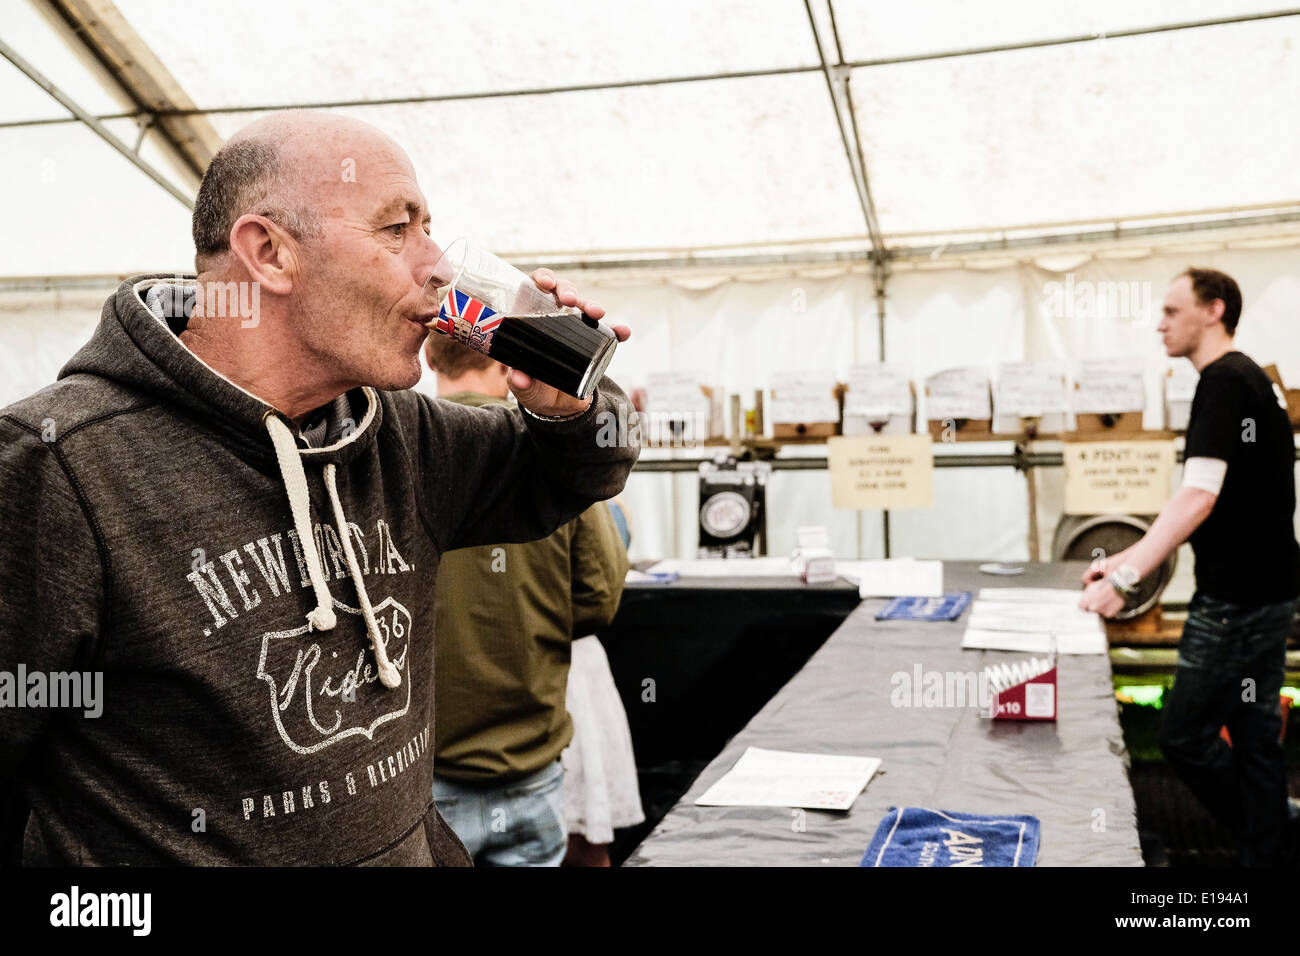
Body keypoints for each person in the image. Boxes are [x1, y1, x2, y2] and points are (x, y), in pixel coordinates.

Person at [0, 110, 640, 866]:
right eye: (397, 230)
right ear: (269, 253)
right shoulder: (59, 464)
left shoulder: (404, 434)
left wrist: (570, 403)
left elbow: (581, 470)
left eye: (430, 230)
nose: (436, 266)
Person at [1079, 267, 1300, 866]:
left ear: (1214, 310)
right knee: (1255, 737)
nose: (1159, 323)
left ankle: (1272, 836)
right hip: (1270, 592)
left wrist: (1126, 580)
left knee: (1182, 735)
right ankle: (1274, 845)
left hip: (1235, 602)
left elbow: (1199, 495)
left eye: (1173, 311)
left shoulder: (1224, 384)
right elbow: (1213, 499)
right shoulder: (1253, 379)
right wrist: (1126, 556)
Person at [425, 335, 629, 865]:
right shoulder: (549, 455)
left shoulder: (400, 452)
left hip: (422, 773)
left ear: (428, 358)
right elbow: (599, 596)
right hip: (529, 761)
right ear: (507, 365)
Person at [561, 495, 646, 867]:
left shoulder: (599, 505)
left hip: (570, 672)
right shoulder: (594, 500)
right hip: (569, 666)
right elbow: (601, 592)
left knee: (581, 835)